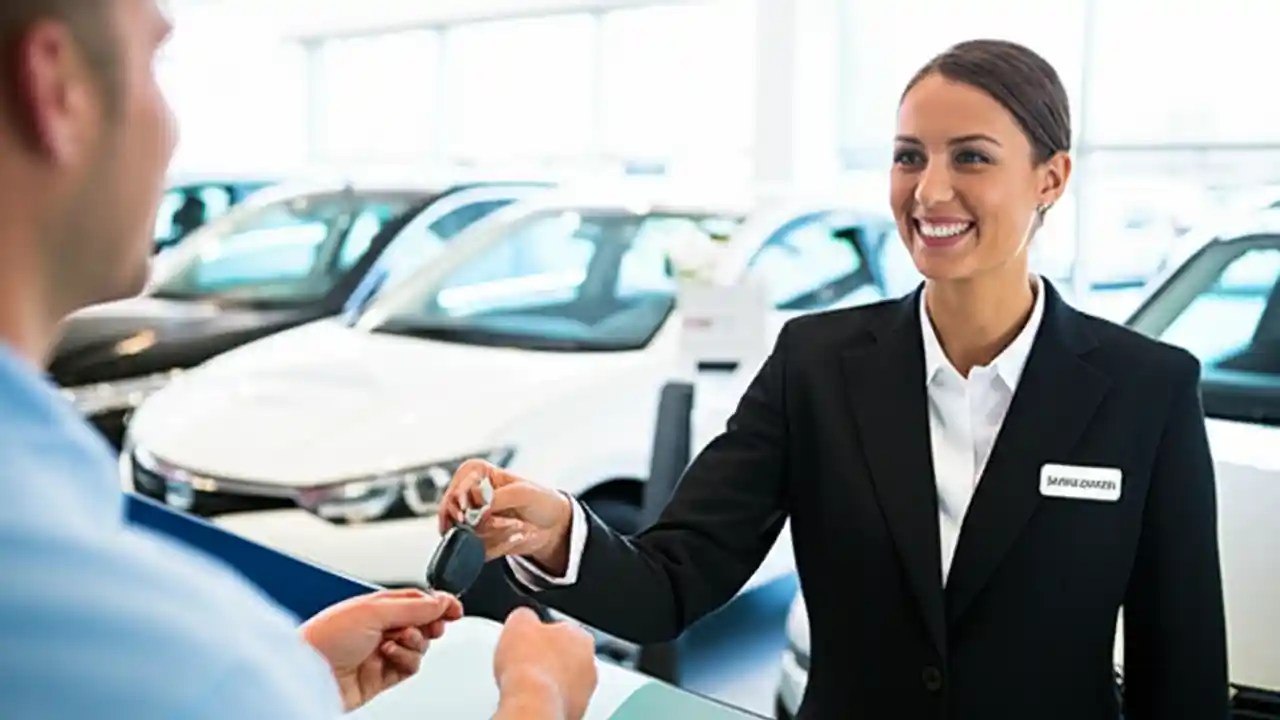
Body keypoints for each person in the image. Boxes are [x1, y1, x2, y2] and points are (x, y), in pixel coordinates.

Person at [442, 38, 1230, 719]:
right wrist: (557, 534)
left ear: (1051, 178)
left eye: (972, 158)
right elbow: (672, 582)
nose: (929, 190)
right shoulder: (816, 366)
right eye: (909, 155)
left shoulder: (1144, 390)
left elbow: (1181, 668)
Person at [0, 1, 596, 718]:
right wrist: (543, 694)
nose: (171, 131)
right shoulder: (148, 645)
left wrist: (289, 682)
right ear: (57, 87)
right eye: (155, 62)